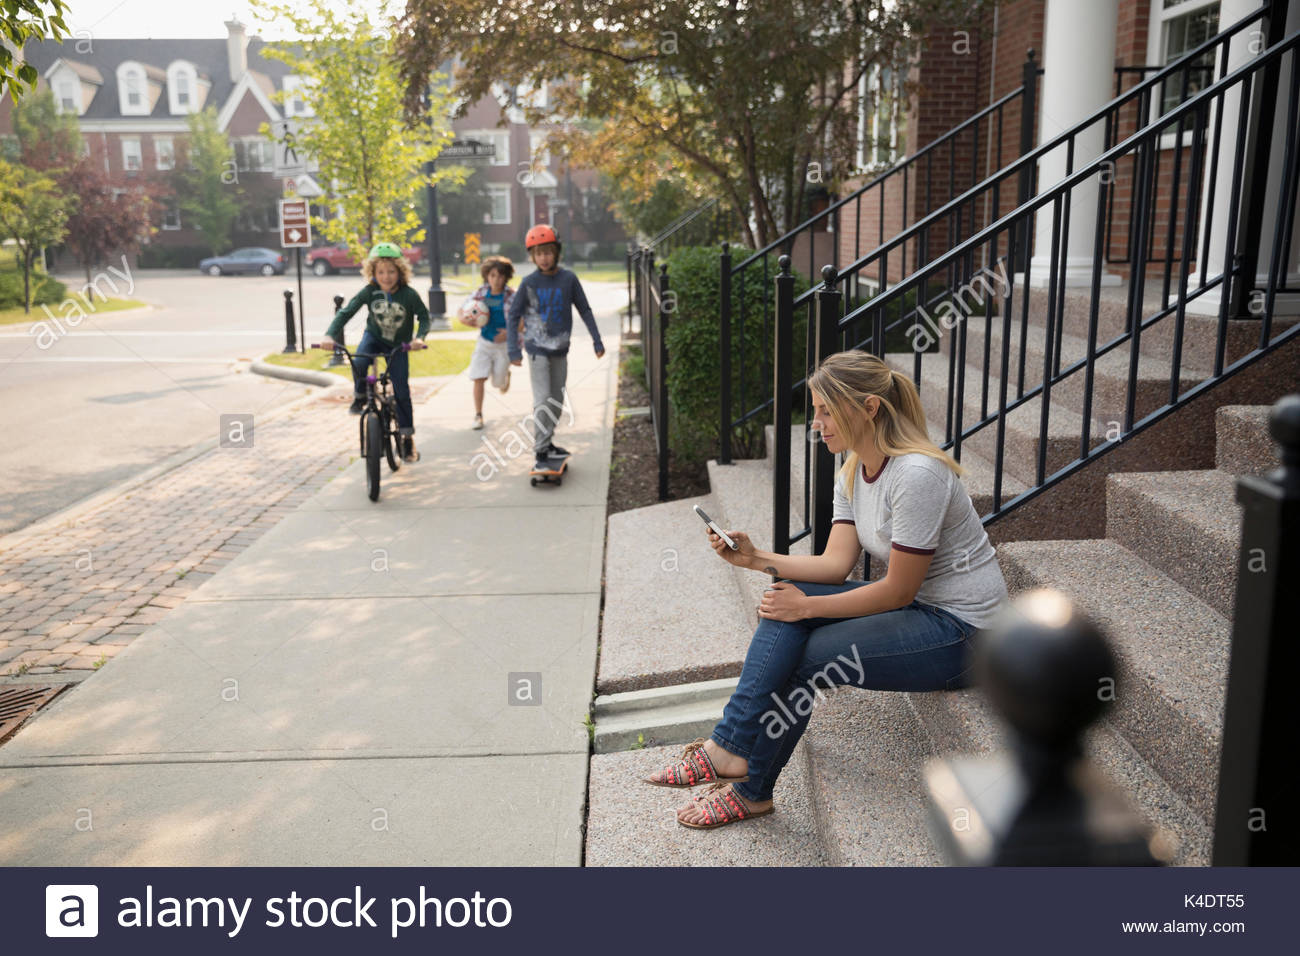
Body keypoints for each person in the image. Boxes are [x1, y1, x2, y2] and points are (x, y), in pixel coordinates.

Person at [644, 350, 1009, 829]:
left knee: (808, 649)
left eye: (825, 410)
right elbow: (836, 565)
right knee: (789, 595)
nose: (816, 424)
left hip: (966, 633)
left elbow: (897, 591)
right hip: (921, 610)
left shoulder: (917, 474)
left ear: (870, 408)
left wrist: (805, 607)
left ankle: (750, 786)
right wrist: (755, 559)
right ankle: (729, 746)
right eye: (815, 410)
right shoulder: (854, 470)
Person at [318, 242, 429, 463]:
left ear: (400, 272)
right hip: (374, 338)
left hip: (399, 346)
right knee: (359, 361)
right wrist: (329, 335)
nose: (386, 277)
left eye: (391, 271)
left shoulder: (409, 295)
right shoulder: (370, 292)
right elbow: (346, 312)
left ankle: (407, 438)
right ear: (372, 273)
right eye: (380, 272)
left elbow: (424, 317)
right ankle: (360, 396)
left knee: (402, 391)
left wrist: (419, 338)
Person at [506, 224, 605, 466]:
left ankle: (547, 442)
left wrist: (597, 339)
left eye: (548, 252)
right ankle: (540, 451)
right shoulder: (529, 282)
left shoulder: (568, 279)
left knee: (557, 402)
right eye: (538, 253)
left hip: (560, 350)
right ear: (532, 256)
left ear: (556, 252)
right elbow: (513, 315)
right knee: (542, 399)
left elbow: (585, 309)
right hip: (537, 350)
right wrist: (513, 349)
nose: (544, 258)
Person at [465, 255, 517, 430]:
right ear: (487, 275)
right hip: (484, 343)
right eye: (493, 275)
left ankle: (505, 377)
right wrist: (466, 320)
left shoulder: (511, 296)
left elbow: (523, 320)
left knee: (497, 384)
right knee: (478, 377)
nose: (496, 279)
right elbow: (462, 310)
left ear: (506, 277)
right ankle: (478, 415)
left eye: (501, 276)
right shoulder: (480, 294)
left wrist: (510, 332)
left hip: (503, 346)